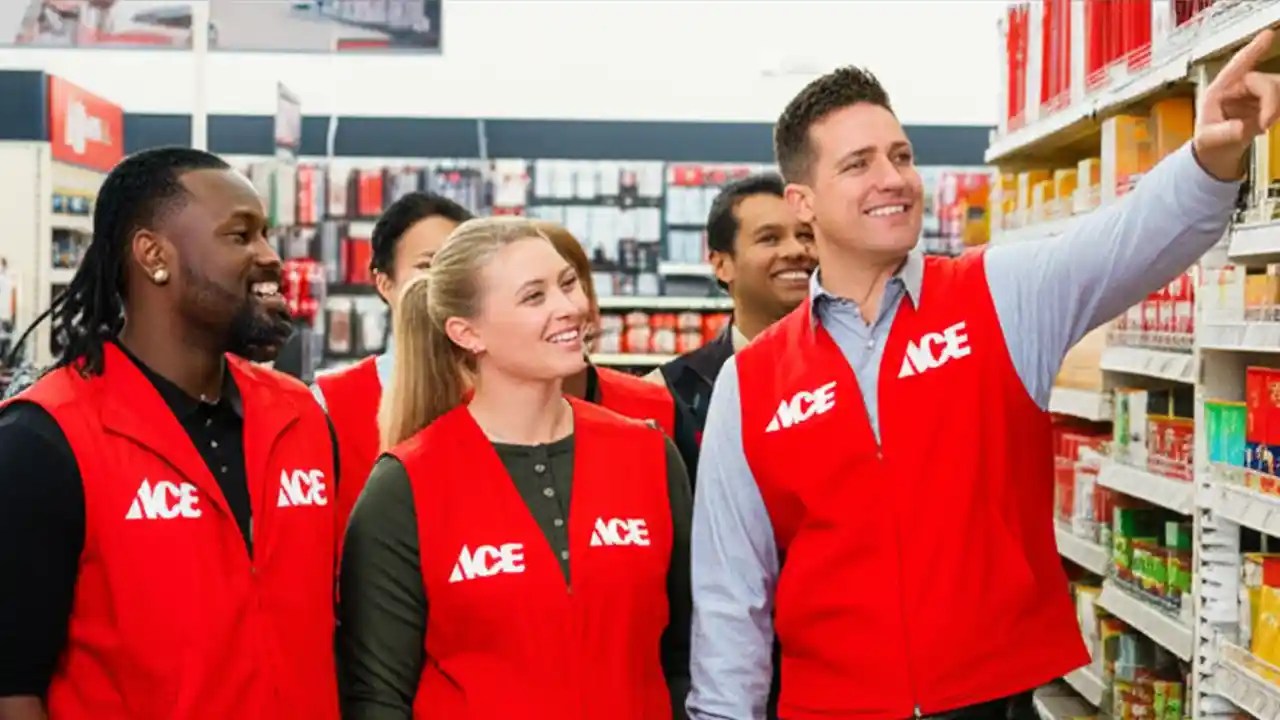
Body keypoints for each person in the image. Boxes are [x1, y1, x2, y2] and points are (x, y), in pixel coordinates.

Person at [688, 31, 1280, 720]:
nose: (894, 178)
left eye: (900, 156)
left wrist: (1211, 154)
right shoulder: (751, 380)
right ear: (803, 203)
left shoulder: (998, 293)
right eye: (858, 163)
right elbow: (732, 593)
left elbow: (1127, 241)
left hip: (993, 702)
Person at [0, 147, 341, 720]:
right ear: (154, 255)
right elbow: (12, 686)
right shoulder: (43, 442)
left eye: (265, 234)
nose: (270, 257)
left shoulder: (300, 416)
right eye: (240, 236)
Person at [336, 217, 692, 719]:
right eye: (534, 296)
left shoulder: (650, 455)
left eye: (568, 284)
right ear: (467, 332)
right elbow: (377, 693)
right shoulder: (405, 486)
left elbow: (684, 653)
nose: (570, 308)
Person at [311, 191, 472, 540]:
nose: (443, 283)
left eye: (456, 267)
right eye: (427, 267)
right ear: (385, 283)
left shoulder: (511, 393)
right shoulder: (329, 404)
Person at [646, 174, 816, 433]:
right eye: (769, 238)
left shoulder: (861, 368)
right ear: (722, 265)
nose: (796, 250)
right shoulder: (672, 392)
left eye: (806, 235)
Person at [535, 220, 702, 474]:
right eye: (533, 296)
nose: (563, 310)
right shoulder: (461, 421)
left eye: (568, 284)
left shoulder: (656, 407)